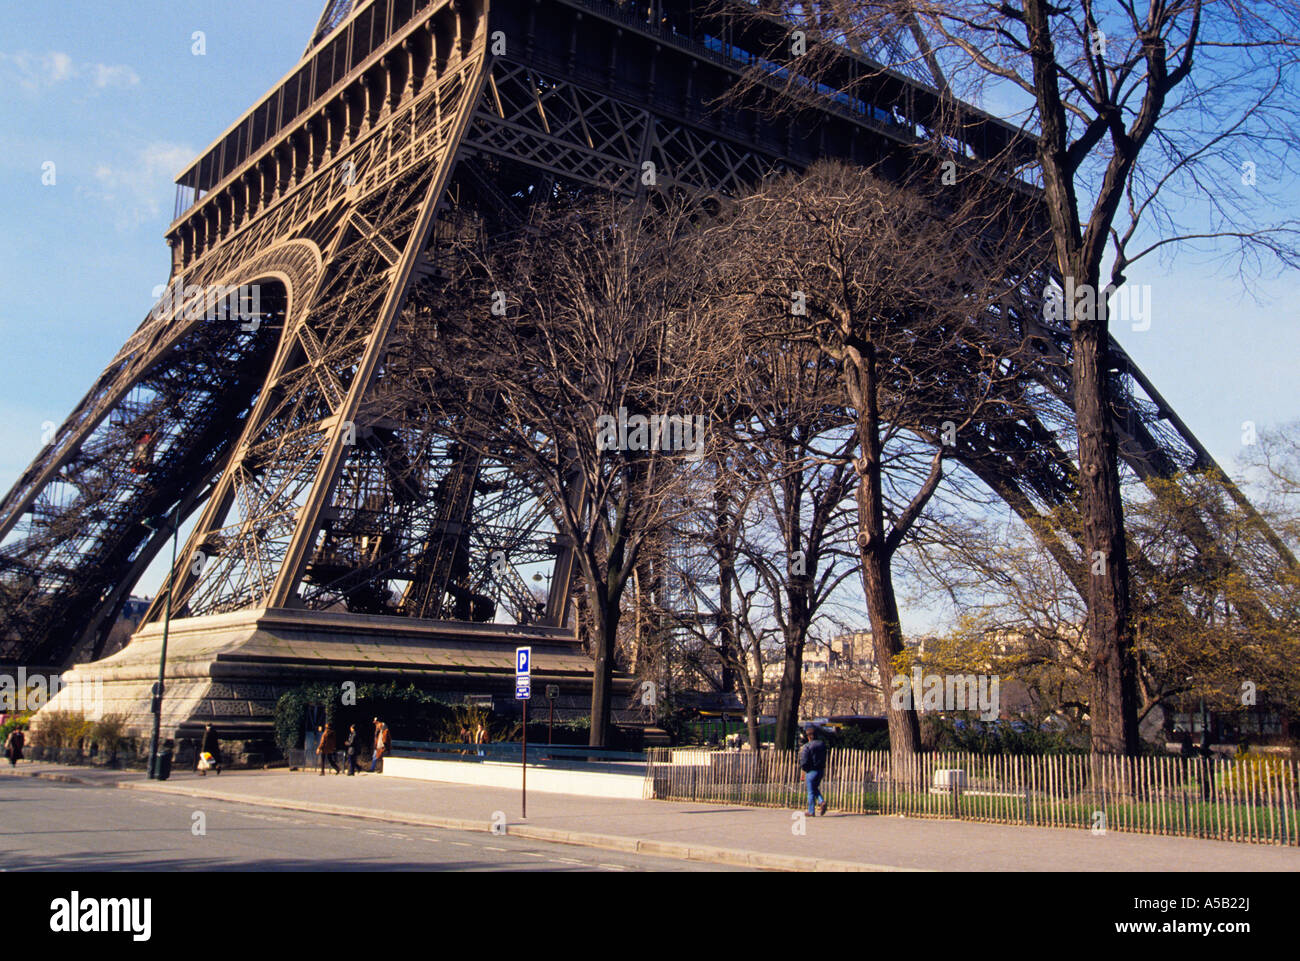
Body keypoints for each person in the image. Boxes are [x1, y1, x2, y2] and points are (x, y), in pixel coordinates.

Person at [798, 724, 828, 816]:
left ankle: (811, 811)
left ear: (808, 736)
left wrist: (804, 768)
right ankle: (821, 801)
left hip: (811, 771)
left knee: (810, 791)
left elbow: (804, 760)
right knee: (815, 788)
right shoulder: (822, 744)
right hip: (821, 770)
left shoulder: (807, 746)